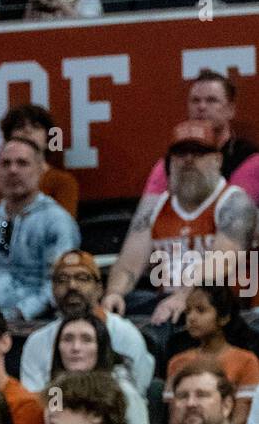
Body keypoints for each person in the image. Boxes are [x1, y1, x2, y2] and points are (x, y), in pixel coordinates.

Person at [104, 121, 257, 326]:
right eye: (181, 154)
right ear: (170, 161)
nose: (189, 160)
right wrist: (114, 293)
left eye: (199, 153)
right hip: (168, 305)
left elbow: (222, 262)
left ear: (217, 160)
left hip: (224, 309)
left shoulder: (235, 202)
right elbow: (129, 263)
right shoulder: (156, 206)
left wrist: (184, 296)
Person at [0, 139, 80, 321]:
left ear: (40, 170)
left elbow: (56, 284)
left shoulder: (57, 222)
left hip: (34, 324)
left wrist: (16, 315)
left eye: (22, 163)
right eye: (5, 164)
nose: (13, 170)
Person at [21, 250, 155, 396]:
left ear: (99, 289)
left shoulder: (125, 333)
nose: (72, 285)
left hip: (114, 413)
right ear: (52, 290)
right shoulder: (38, 341)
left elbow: (137, 390)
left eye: (82, 278)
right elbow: (35, 400)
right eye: (62, 279)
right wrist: (60, 414)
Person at [135, 70, 259, 210]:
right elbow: (147, 215)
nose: (201, 107)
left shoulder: (249, 159)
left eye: (211, 100)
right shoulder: (170, 162)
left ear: (230, 109)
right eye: (195, 101)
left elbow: (238, 214)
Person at [49, 312, 150, 424]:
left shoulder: (124, 392)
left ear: (101, 348)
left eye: (86, 339)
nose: (75, 347)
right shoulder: (56, 392)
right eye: (67, 339)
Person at [163, 287, 259, 424]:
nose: (191, 318)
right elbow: (175, 422)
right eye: (188, 311)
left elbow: (241, 418)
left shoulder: (246, 360)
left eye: (201, 310)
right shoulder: (178, 361)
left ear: (224, 317)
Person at [0, 103, 80, 220]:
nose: (27, 130)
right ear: (8, 139)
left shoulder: (62, 182)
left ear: (47, 139)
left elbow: (63, 226)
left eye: (36, 127)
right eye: (19, 127)